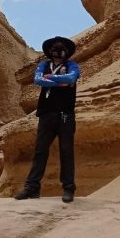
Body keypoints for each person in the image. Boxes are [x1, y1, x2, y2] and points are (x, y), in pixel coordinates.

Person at [14, 36, 80, 203]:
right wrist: (59, 82)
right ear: (50, 51)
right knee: (40, 150)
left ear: (66, 51)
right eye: (55, 49)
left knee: (66, 151)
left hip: (65, 114)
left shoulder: (71, 65)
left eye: (61, 49)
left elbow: (71, 78)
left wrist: (50, 79)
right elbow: (37, 80)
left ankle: (68, 188)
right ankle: (32, 188)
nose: (58, 51)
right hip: (46, 114)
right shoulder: (44, 65)